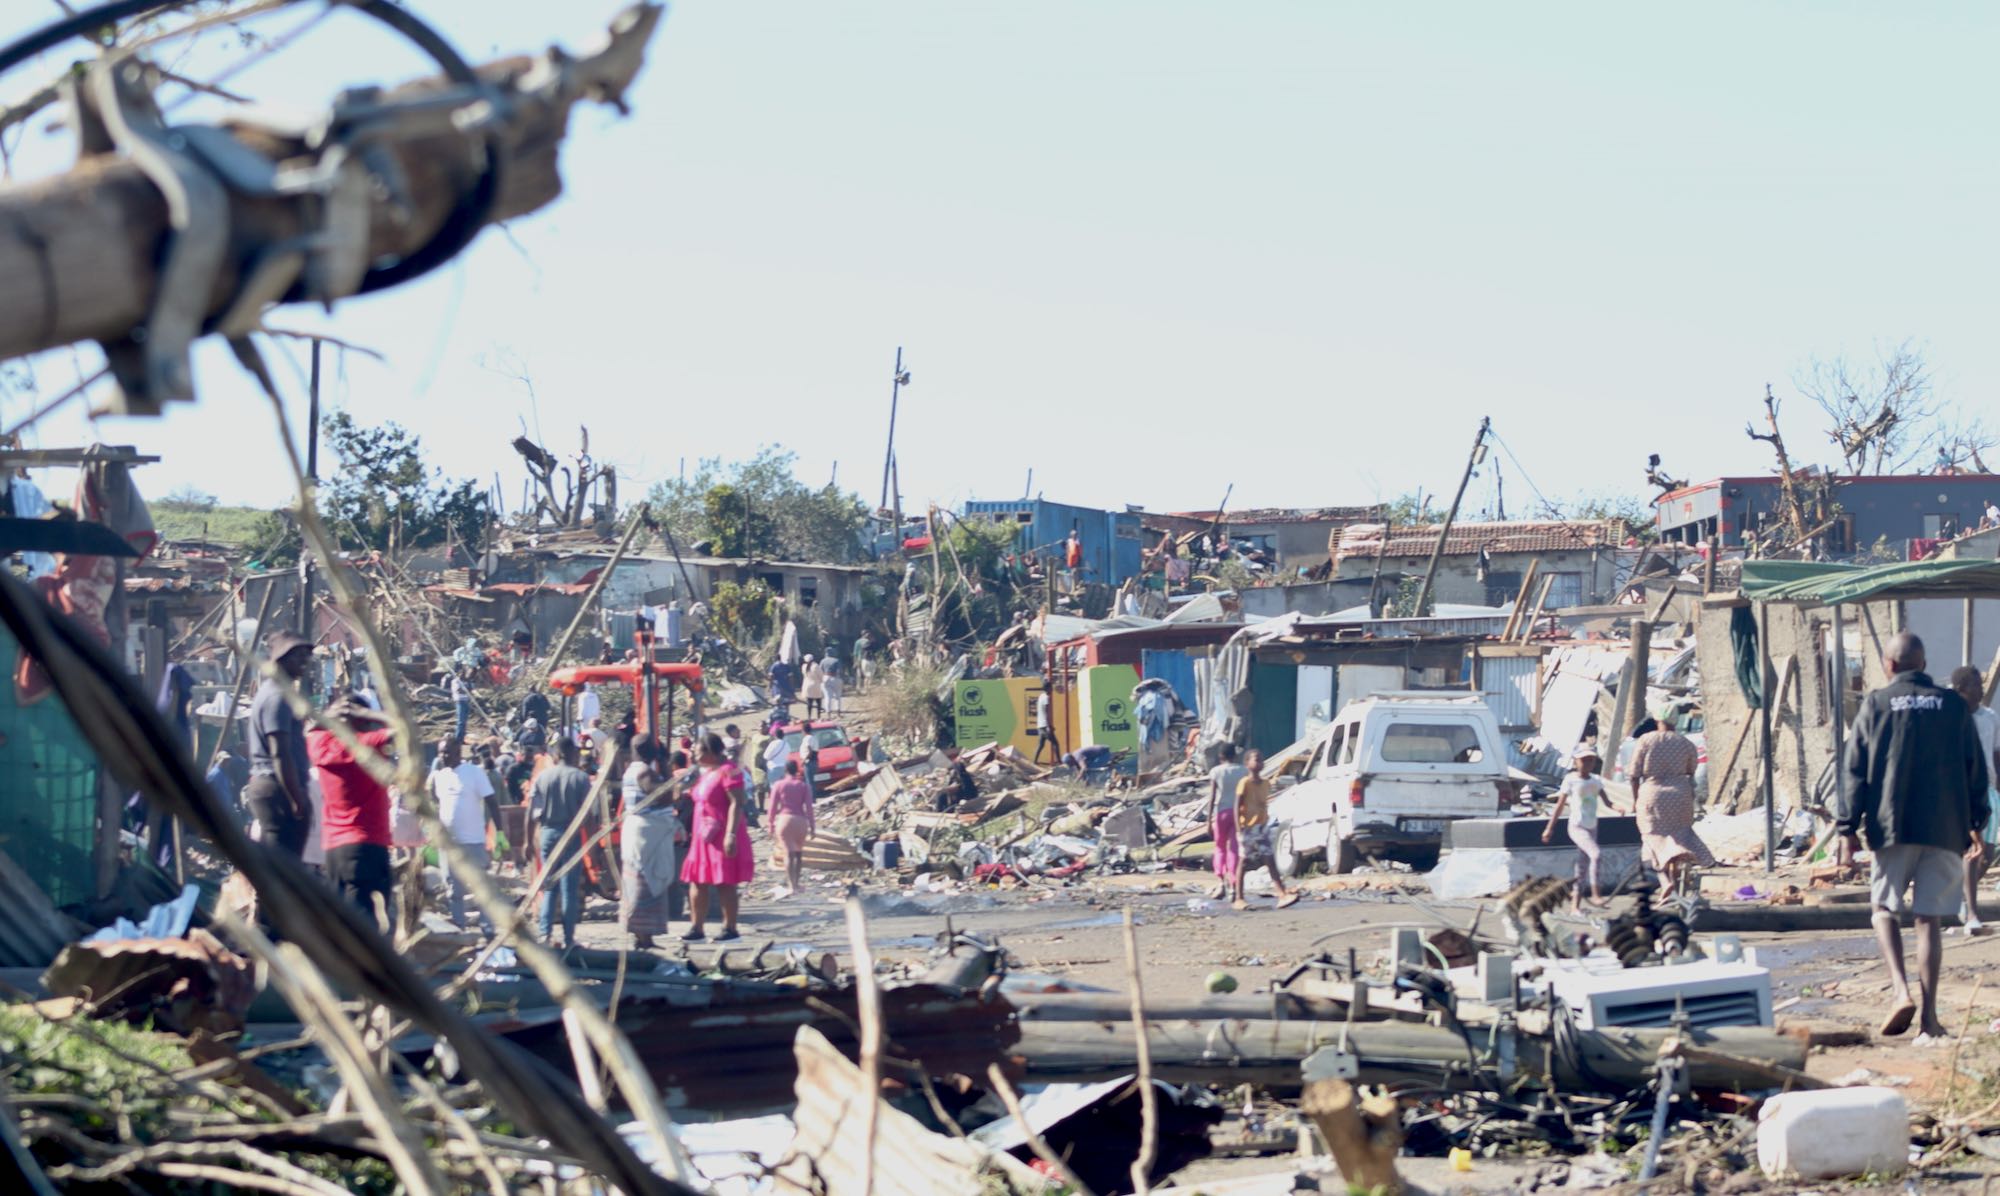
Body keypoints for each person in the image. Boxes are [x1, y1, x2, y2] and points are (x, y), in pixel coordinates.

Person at [1840, 633, 1991, 1038]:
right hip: (1946, 827)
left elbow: (1854, 770)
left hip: (1893, 825)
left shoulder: (1876, 704)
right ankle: (1930, 1021)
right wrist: (1977, 820)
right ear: (1923, 665)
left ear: (1889, 665)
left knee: (1883, 908)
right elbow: (1975, 767)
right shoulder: (1954, 706)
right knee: (1928, 920)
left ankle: (1900, 991)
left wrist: (1847, 828)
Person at [307, 700, 398, 925]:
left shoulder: (321, 746)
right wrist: (369, 713)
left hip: (333, 851)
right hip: (366, 846)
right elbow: (404, 731)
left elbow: (310, 728)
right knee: (366, 926)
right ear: (363, 721)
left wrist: (331, 713)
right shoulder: (368, 744)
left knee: (340, 924)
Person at [1627, 704, 1713, 890]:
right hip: (1681, 795)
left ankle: (1665, 881)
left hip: (1653, 794)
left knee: (1652, 838)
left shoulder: (1646, 740)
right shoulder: (1686, 743)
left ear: (1657, 718)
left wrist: (1636, 800)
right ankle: (1675, 881)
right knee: (1679, 835)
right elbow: (1691, 770)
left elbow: (1633, 775)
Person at [246, 631, 316, 859]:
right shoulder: (277, 697)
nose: (305, 660)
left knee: (278, 863)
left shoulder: (276, 693)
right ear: (281, 660)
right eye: (298, 655)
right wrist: (295, 797)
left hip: (274, 786)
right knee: (283, 864)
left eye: (306, 654)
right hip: (278, 788)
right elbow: (280, 753)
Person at [682, 732, 754, 942]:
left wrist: (731, 834)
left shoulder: (729, 771)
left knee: (725, 881)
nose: (694, 756)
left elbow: (736, 802)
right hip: (703, 836)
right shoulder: (707, 773)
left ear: (711, 752)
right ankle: (697, 928)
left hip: (722, 834)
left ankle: (730, 928)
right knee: (697, 880)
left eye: (697, 752)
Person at [429, 736, 498, 932]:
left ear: (458, 753)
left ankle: (487, 928)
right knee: (453, 888)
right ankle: (459, 927)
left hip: (473, 841)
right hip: (449, 844)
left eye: (447, 752)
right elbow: (437, 804)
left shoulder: (474, 773)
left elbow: (492, 802)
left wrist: (499, 832)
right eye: (441, 753)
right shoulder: (439, 777)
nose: (443, 756)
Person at [529, 737, 592, 949]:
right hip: (571, 835)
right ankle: (569, 938)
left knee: (549, 888)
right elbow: (588, 816)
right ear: (572, 754)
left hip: (547, 833)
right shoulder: (581, 778)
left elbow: (531, 812)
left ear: (556, 755)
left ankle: (544, 935)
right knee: (569, 889)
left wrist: (528, 840)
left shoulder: (543, 777)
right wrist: (592, 844)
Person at [1952, 666, 2000, 935]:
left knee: (1988, 853)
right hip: (1963, 791)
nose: (1981, 690)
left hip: (1988, 790)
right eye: (1975, 686)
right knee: (1972, 851)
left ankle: (1960, 897)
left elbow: (1996, 754)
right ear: (1961, 689)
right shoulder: (1951, 717)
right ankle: (1971, 913)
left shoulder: (1990, 717)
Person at [619, 735, 680, 948]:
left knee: (639, 881)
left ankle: (643, 937)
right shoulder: (644, 772)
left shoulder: (631, 769)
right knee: (648, 882)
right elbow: (667, 796)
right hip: (647, 835)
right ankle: (643, 936)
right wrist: (666, 769)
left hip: (642, 833)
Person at [1543, 744, 1612, 911]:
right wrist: (1549, 828)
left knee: (1581, 867)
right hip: (1577, 826)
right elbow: (1560, 805)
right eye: (1584, 760)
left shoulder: (1596, 780)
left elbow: (1608, 802)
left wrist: (1620, 808)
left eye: (1591, 760)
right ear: (1576, 762)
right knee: (1596, 854)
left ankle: (1575, 908)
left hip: (1592, 826)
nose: (1587, 764)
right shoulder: (1571, 779)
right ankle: (1596, 894)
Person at [1234, 749, 1298, 910]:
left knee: (1269, 860)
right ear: (1247, 764)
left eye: (1261, 760)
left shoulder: (1265, 783)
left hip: (1262, 827)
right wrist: (1238, 828)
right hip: (1247, 828)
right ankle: (1238, 898)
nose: (1259, 762)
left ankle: (1281, 894)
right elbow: (1236, 806)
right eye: (1255, 759)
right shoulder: (1244, 783)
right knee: (1244, 861)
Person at [1205, 744, 1247, 902]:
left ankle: (1221, 882)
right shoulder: (1243, 771)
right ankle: (1233, 887)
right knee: (1234, 849)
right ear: (1235, 755)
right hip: (1237, 814)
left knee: (1220, 847)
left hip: (1221, 814)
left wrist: (1208, 820)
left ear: (1220, 756)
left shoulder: (1216, 771)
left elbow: (1212, 797)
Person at [768, 759, 815, 894]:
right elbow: (809, 808)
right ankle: (797, 883)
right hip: (800, 821)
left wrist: (770, 824)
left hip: (785, 820)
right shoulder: (803, 786)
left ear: (785, 770)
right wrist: (812, 827)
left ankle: (791, 885)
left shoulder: (778, 785)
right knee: (798, 854)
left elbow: (772, 807)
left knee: (788, 854)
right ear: (797, 770)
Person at [1032, 685, 1060, 765]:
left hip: (1040, 726)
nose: (1052, 689)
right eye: (1051, 688)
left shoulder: (1041, 696)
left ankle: (1034, 761)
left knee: (1040, 745)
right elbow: (1047, 712)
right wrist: (1049, 726)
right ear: (1048, 688)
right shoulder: (1046, 698)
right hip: (1045, 725)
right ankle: (1059, 762)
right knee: (1055, 743)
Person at [449, 670, 471, 741]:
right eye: (461, 673)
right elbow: (459, 690)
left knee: (465, 721)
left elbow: (470, 689)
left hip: (466, 701)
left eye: (464, 673)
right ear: (457, 674)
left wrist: (468, 686)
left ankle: (462, 738)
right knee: (461, 721)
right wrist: (466, 689)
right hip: (460, 701)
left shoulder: (466, 681)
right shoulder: (455, 681)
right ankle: (457, 739)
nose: (462, 675)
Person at [801, 656, 825, 720]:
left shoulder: (804, 666)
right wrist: (821, 681)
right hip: (815, 684)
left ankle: (809, 716)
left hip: (807, 685)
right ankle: (818, 716)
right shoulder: (816, 666)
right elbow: (821, 676)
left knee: (809, 702)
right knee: (818, 701)